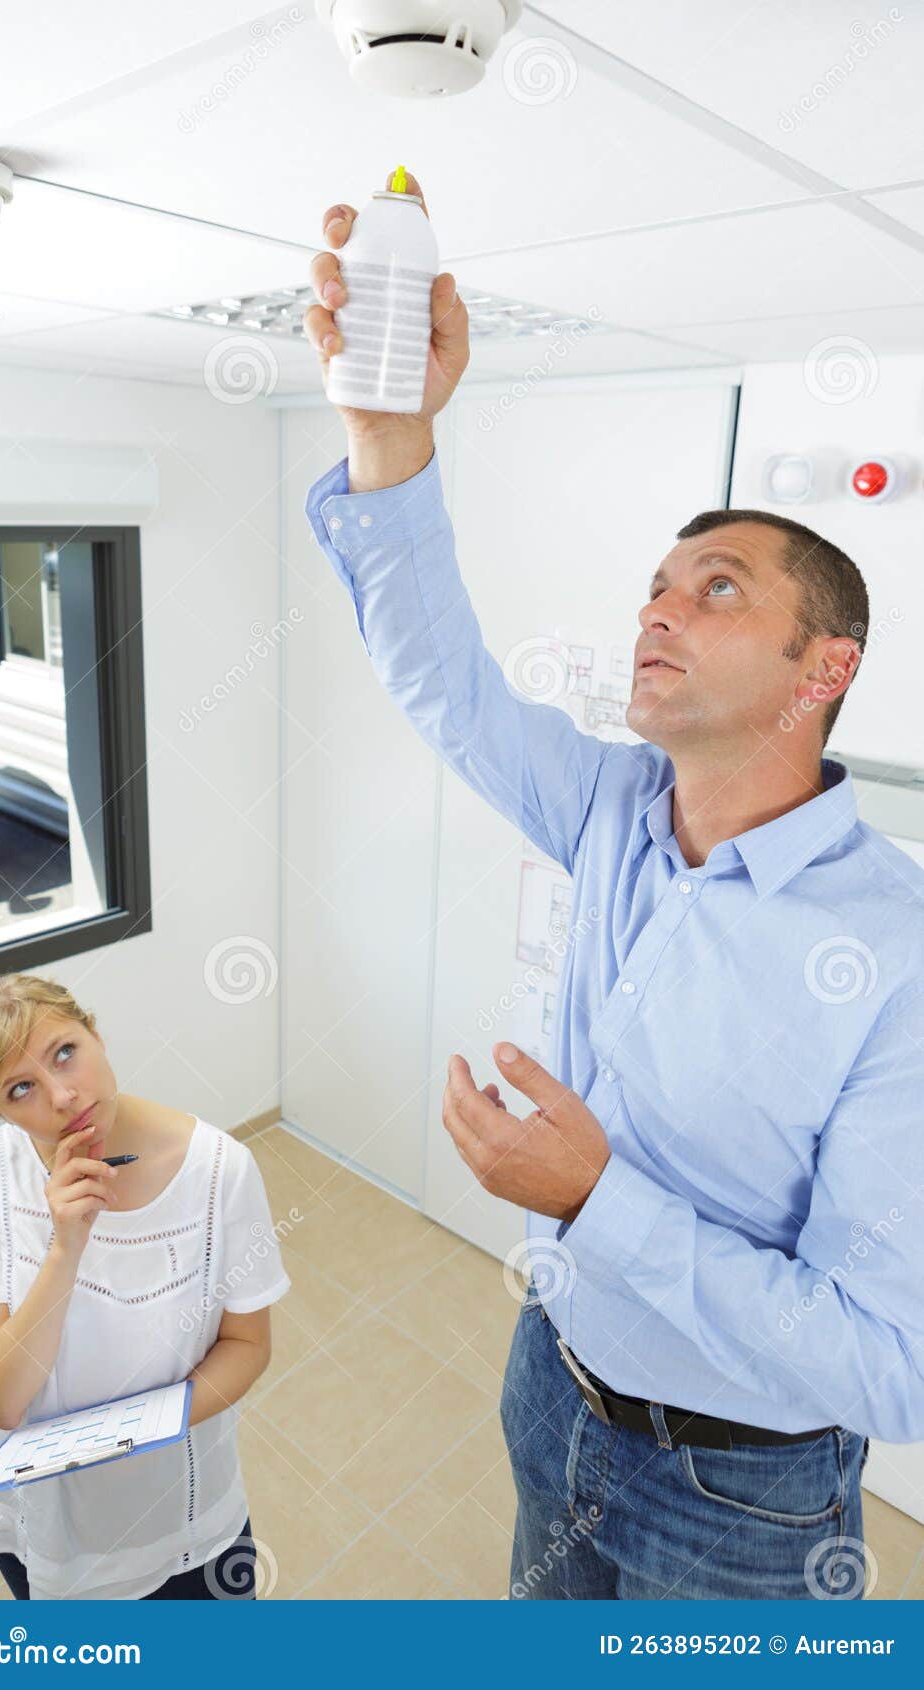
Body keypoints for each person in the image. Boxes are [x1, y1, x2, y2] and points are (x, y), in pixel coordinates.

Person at [301, 173, 924, 1600]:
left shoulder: (889, 953)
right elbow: (441, 680)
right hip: (551, 1383)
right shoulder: (610, 809)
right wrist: (388, 429)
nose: (654, 605)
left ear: (819, 671)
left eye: (714, 589)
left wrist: (591, 1195)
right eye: (653, 582)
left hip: (739, 1490)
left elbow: (884, 1361)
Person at [0, 972, 289, 1600]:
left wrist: (140, 1430)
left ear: (94, 1031)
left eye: (65, 1053)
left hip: (185, 1516)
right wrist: (65, 1247)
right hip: (49, 1528)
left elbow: (249, 1345)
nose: (64, 1097)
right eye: (22, 1089)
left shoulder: (221, 1171)